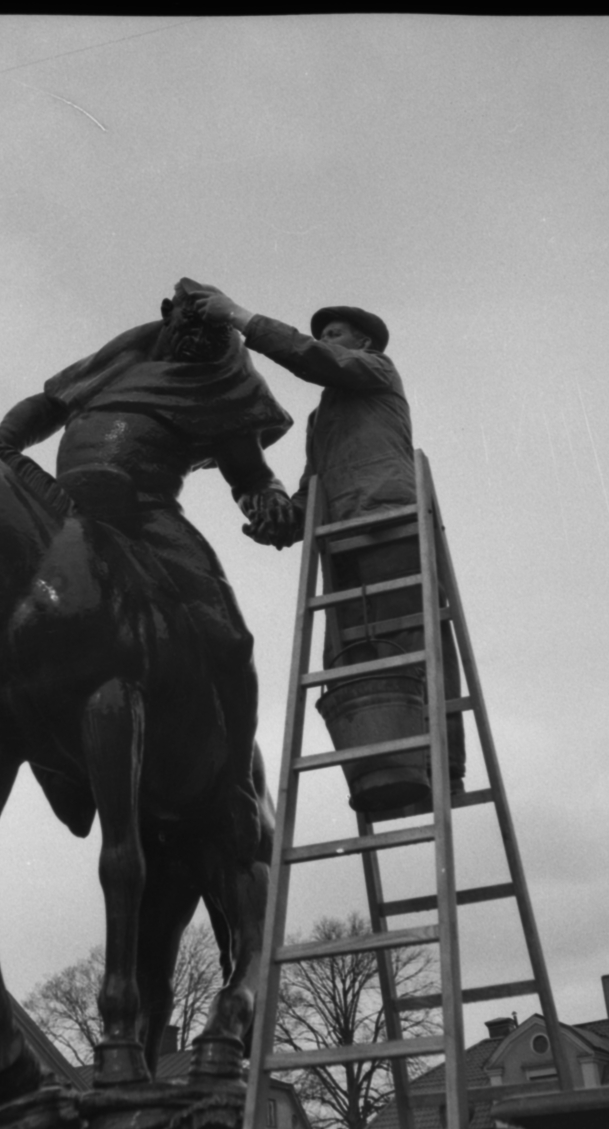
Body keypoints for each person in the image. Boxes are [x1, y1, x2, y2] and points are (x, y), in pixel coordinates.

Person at [0, 279, 294, 833]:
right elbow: (46, 406)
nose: (201, 335)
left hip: (145, 513)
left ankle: (234, 784)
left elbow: (249, 472)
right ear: (167, 314)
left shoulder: (223, 381)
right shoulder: (119, 360)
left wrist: (269, 502)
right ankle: (58, 762)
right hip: (63, 508)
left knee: (228, 638)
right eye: (191, 320)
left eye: (214, 325)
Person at [186, 282, 466, 807]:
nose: (327, 341)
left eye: (336, 334)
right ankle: (385, 773)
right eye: (325, 335)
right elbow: (313, 486)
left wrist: (240, 317)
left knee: (409, 641)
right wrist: (279, 519)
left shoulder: (379, 374)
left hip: (386, 519)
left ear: (365, 345)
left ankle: (441, 769)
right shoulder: (324, 417)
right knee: (353, 657)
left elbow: (307, 357)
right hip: (341, 539)